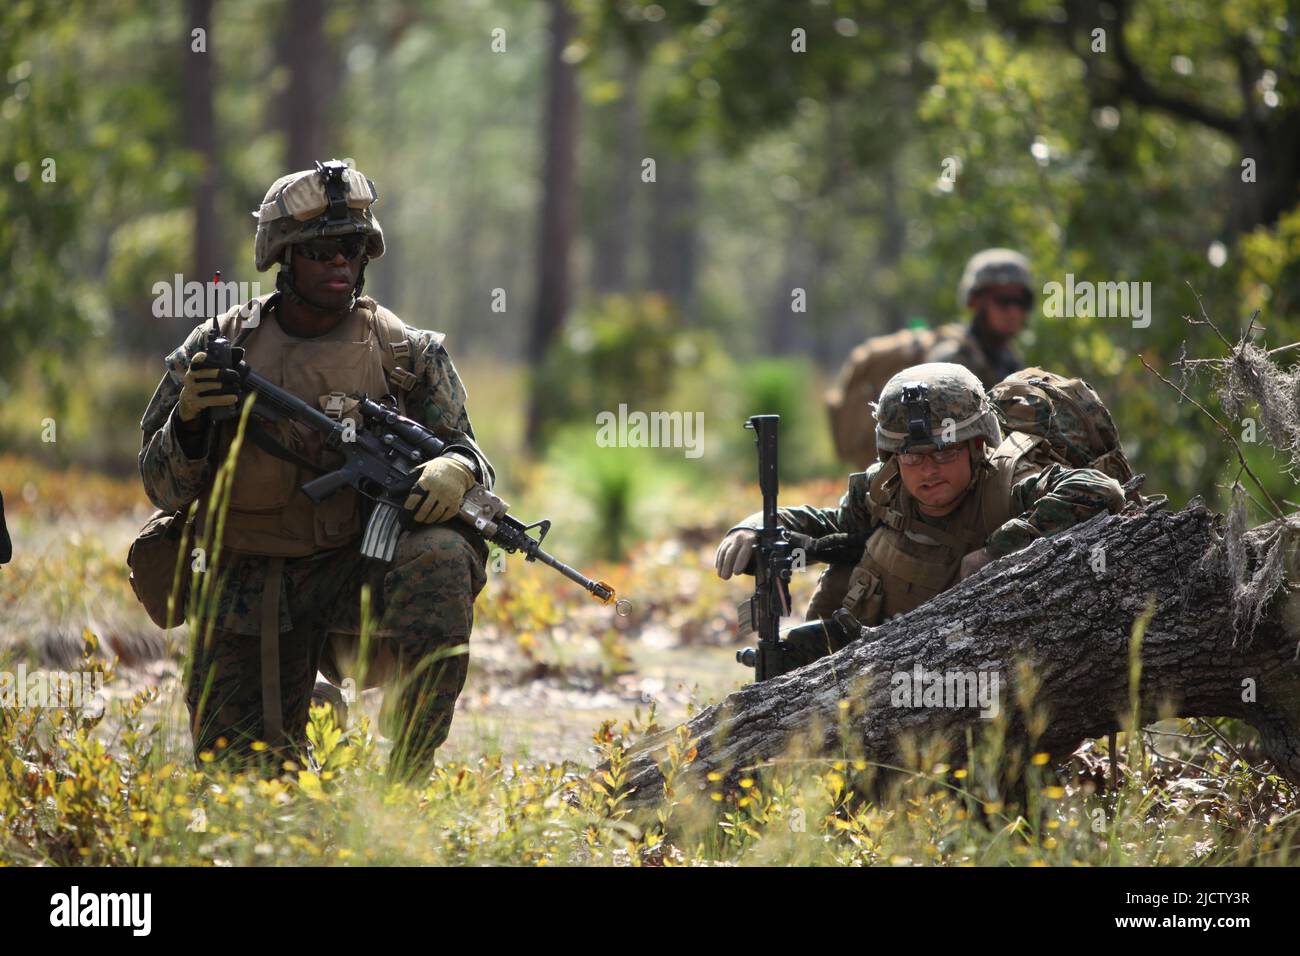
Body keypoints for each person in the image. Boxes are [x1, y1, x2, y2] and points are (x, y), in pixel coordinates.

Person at [138, 160, 492, 779]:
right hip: (246, 586)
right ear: (284, 256)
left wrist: (456, 469)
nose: (340, 264)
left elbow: (469, 453)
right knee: (242, 787)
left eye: (353, 249)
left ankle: (406, 775)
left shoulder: (405, 353)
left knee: (441, 552)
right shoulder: (217, 349)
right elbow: (160, 486)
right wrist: (189, 422)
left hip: (357, 573)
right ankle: (307, 710)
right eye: (323, 250)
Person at [716, 363, 1125, 674]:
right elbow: (830, 527)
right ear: (894, 458)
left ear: (977, 445)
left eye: (945, 453)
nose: (928, 470)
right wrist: (755, 526)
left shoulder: (1007, 485)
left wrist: (998, 550)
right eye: (913, 457)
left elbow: (1101, 491)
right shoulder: (885, 489)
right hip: (877, 661)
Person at [925, 248, 1035, 389]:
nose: (1013, 311)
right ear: (976, 301)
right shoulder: (951, 361)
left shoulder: (1009, 361)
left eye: (1021, 302)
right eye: (1003, 300)